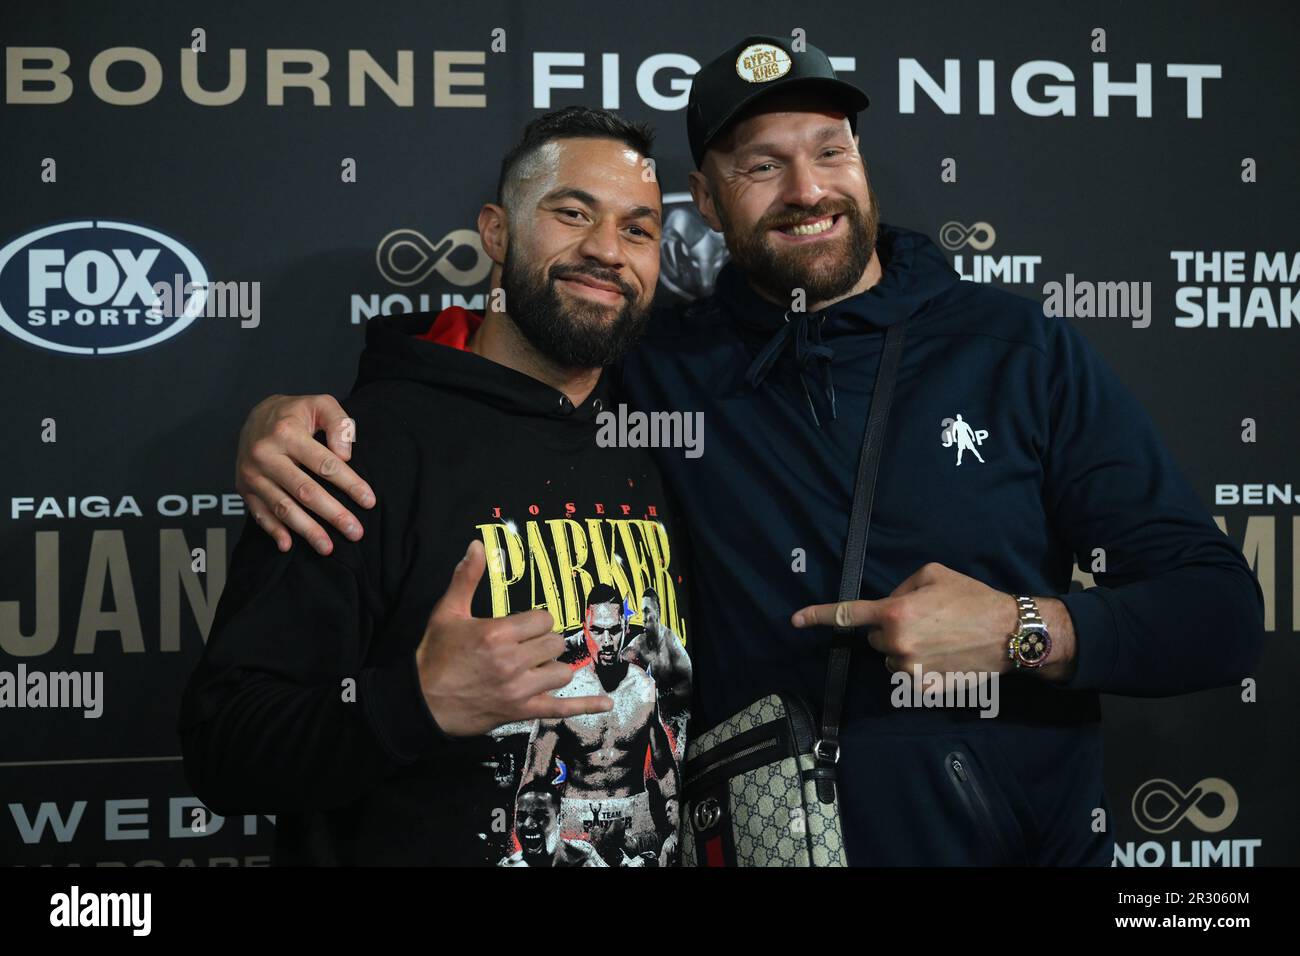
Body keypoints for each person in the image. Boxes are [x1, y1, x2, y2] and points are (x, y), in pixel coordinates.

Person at [226, 36, 1265, 865]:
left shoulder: (1017, 349)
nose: (805, 189)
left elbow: (1216, 614)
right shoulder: (660, 362)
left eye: (829, 150)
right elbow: (502, 371)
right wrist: (294, 412)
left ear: (863, 165)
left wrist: (1024, 627)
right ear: (709, 203)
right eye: (760, 165)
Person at [179, 107, 692, 865]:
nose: (606, 251)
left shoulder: (667, 435)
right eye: (572, 213)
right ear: (495, 231)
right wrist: (410, 704)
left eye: (638, 229)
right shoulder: (360, 447)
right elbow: (226, 746)